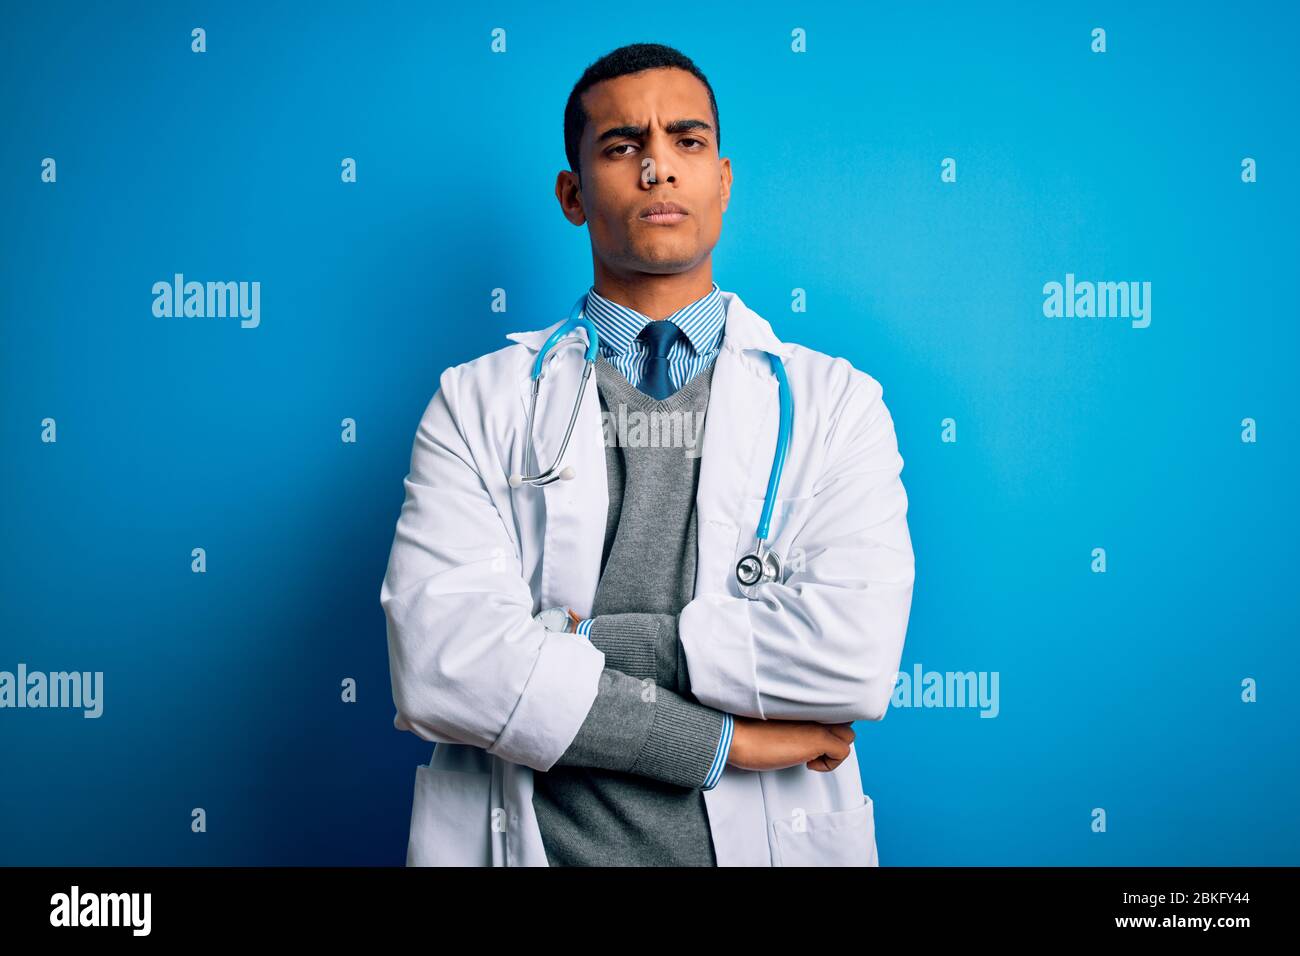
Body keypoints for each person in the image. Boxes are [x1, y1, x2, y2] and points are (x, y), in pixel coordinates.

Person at [381, 42, 915, 867]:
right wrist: (715, 742)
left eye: (687, 141)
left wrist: (590, 638)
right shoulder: (478, 401)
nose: (658, 167)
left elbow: (854, 659)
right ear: (572, 193)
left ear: (723, 180)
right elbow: (443, 665)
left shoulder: (837, 404)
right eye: (623, 145)